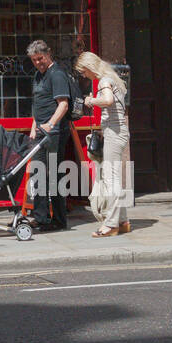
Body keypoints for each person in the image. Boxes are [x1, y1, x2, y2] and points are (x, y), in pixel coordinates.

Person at [75, 52, 132, 237]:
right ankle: (122, 221)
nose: (84, 75)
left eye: (84, 71)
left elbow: (107, 100)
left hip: (115, 134)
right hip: (116, 131)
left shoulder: (104, 80)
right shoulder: (111, 77)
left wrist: (91, 100)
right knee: (114, 178)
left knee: (111, 179)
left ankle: (111, 224)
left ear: (90, 67)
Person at [26, 39, 73, 231]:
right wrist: (33, 126)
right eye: (34, 60)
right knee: (39, 174)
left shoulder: (57, 74)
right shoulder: (38, 75)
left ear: (48, 54)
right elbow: (39, 105)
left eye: (40, 58)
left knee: (54, 175)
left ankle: (59, 220)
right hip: (40, 133)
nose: (38, 62)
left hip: (54, 133)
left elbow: (63, 104)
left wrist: (50, 124)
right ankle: (41, 217)